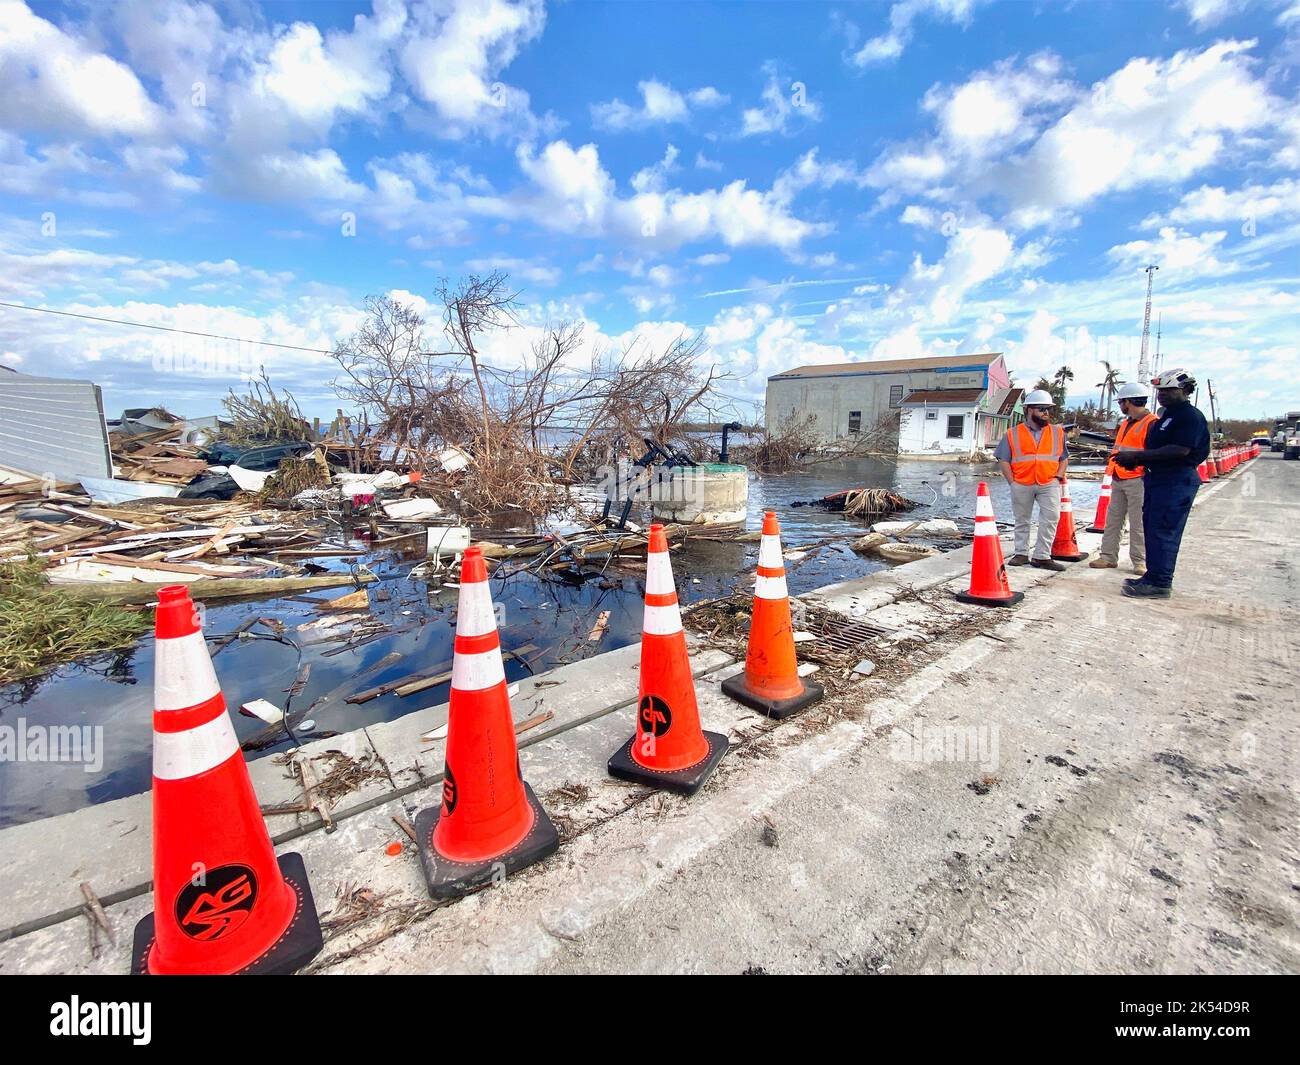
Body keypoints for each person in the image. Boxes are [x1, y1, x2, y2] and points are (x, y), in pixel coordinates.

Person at [1111, 367, 1210, 598]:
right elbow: (1157, 449)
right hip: (1159, 479)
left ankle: (1161, 583)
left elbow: (1180, 450)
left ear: (1185, 390)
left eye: (1168, 390)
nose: (1162, 394)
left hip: (1176, 481)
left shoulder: (1189, 416)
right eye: (1159, 390)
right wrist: (1137, 461)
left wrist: (1137, 456)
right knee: (1154, 528)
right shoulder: (1168, 416)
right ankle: (1153, 576)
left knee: (1165, 530)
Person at [995, 389, 1068, 571]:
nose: (1046, 413)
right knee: (1022, 519)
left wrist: (1058, 476)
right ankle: (1021, 553)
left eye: (1048, 409)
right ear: (1028, 410)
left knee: (1051, 517)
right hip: (1022, 482)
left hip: (1049, 482)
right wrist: (1012, 482)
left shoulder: (1057, 433)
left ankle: (1042, 556)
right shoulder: (1012, 433)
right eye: (1042, 409)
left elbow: (1063, 457)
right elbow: (1003, 459)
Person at [1090, 381, 1156, 574]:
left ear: (1128, 401)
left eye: (1121, 402)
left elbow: (1151, 453)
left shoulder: (1151, 423)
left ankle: (1140, 562)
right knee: (1114, 520)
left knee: (1139, 523)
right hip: (1119, 476)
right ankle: (1108, 556)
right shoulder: (1126, 423)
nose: (1120, 406)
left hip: (1138, 478)